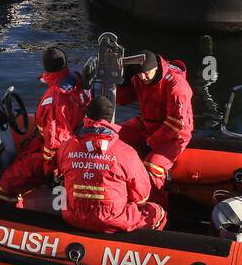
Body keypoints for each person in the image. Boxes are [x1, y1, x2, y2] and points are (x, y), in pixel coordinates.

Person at [54, 97, 166, 234]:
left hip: (72, 216)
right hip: (113, 220)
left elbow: (61, 174)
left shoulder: (67, 147)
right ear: (109, 120)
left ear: (86, 117)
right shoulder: (126, 152)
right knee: (158, 212)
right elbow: (142, 195)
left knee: (61, 192)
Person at [0, 46, 90, 205]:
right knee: (23, 156)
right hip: (71, 144)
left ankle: (9, 214)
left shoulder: (53, 101)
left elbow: (54, 143)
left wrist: (50, 173)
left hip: (56, 155)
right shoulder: (76, 80)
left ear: (46, 67)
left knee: (6, 185)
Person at [116, 51, 194, 191]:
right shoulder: (138, 79)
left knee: (152, 166)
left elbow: (175, 123)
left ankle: (158, 200)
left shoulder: (176, 85)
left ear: (155, 68)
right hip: (147, 124)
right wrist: (125, 81)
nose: (143, 77)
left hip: (175, 134)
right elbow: (122, 100)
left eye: (146, 73)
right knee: (113, 138)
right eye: (139, 73)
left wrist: (151, 142)